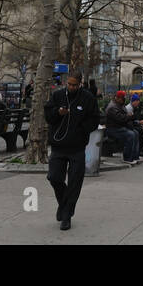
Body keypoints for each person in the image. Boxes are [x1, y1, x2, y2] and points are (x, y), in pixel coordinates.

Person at [44, 71, 101, 230]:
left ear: (80, 84)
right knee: (54, 177)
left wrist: (82, 129)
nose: (71, 87)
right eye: (69, 84)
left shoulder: (88, 98)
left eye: (74, 85)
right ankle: (63, 204)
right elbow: (48, 115)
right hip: (58, 145)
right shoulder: (57, 96)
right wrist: (58, 113)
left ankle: (67, 215)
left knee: (75, 181)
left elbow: (95, 119)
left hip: (77, 147)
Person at [104, 90, 141, 164]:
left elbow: (124, 116)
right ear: (117, 98)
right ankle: (127, 158)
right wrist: (129, 116)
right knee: (131, 135)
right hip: (113, 128)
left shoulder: (120, 104)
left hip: (119, 126)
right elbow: (121, 118)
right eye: (122, 98)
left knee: (136, 133)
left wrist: (130, 117)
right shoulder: (112, 107)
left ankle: (134, 156)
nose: (124, 100)